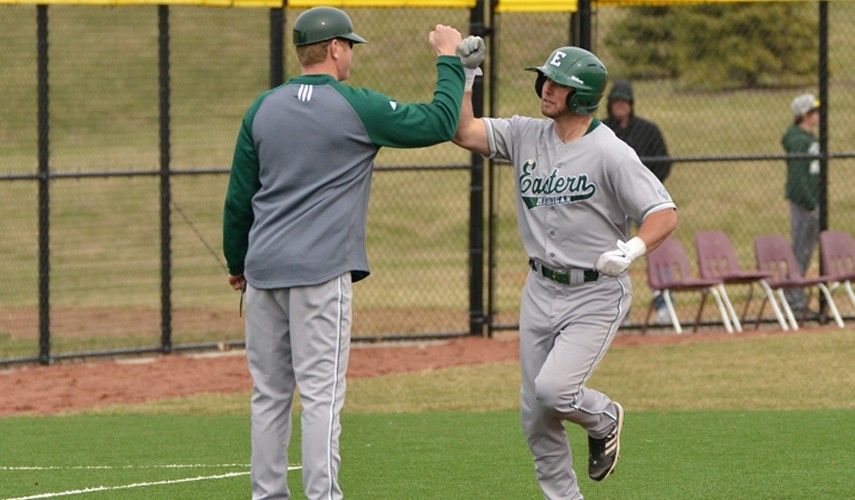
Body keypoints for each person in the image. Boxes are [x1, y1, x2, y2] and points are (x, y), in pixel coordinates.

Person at [222, 8, 466, 499]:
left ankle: (266, 495)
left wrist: (236, 262)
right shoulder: (356, 106)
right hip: (320, 274)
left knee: (268, 395)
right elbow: (441, 121)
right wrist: (449, 60)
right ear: (334, 48)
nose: (351, 54)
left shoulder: (262, 108)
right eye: (349, 45)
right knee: (320, 397)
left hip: (263, 273)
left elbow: (239, 198)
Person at [453, 42, 678, 499]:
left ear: (582, 96)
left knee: (555, 392)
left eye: (559, 84)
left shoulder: (611, 152)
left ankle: (604, 417)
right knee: (536, 416)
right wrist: (467, 76)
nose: (546, 88)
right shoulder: (525, 134)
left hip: (595, 292)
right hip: (539, 288)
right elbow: (464, 131)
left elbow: (663, 213)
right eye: (546, 80)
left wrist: (633, 248)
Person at [602, 79, 674, 323]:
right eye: (616, 101)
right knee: (614, 255)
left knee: (654, 251)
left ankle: (665, 306)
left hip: (643, 206)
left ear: (631, 104)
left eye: (624, 101)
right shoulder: (603, 131)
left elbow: (664, 162)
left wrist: (645, 191)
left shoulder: (648, 130)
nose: (620, 106)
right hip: (613, 205)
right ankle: (619, 311)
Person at [781, 93, 821, 319]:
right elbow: (797, 178)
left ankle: (797, 298)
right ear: (804, 115)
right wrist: (810, 203)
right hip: (805, 204)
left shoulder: (808, 137)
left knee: (806, 253)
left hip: (813, 201)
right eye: (814, 111)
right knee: (800, 253)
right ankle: (794, 301)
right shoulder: (797, 140)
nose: (818, 115)